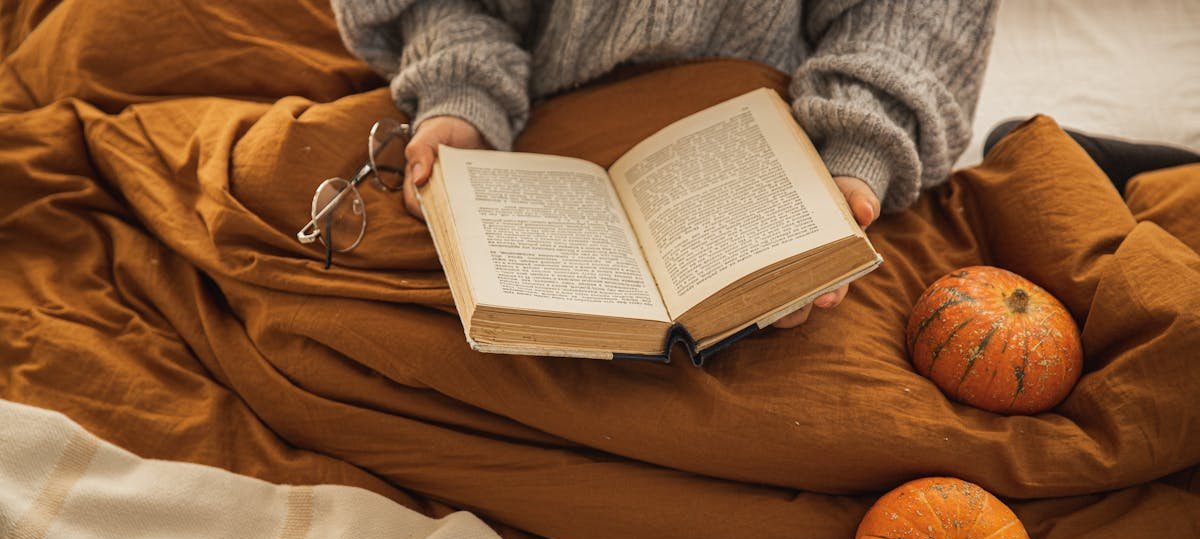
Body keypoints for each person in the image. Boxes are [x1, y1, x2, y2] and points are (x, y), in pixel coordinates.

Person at [331, 0, 999, 327]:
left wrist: (853, 158)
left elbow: (912, 18)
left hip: (790, 138)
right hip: (529, 110)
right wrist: (461, 90)